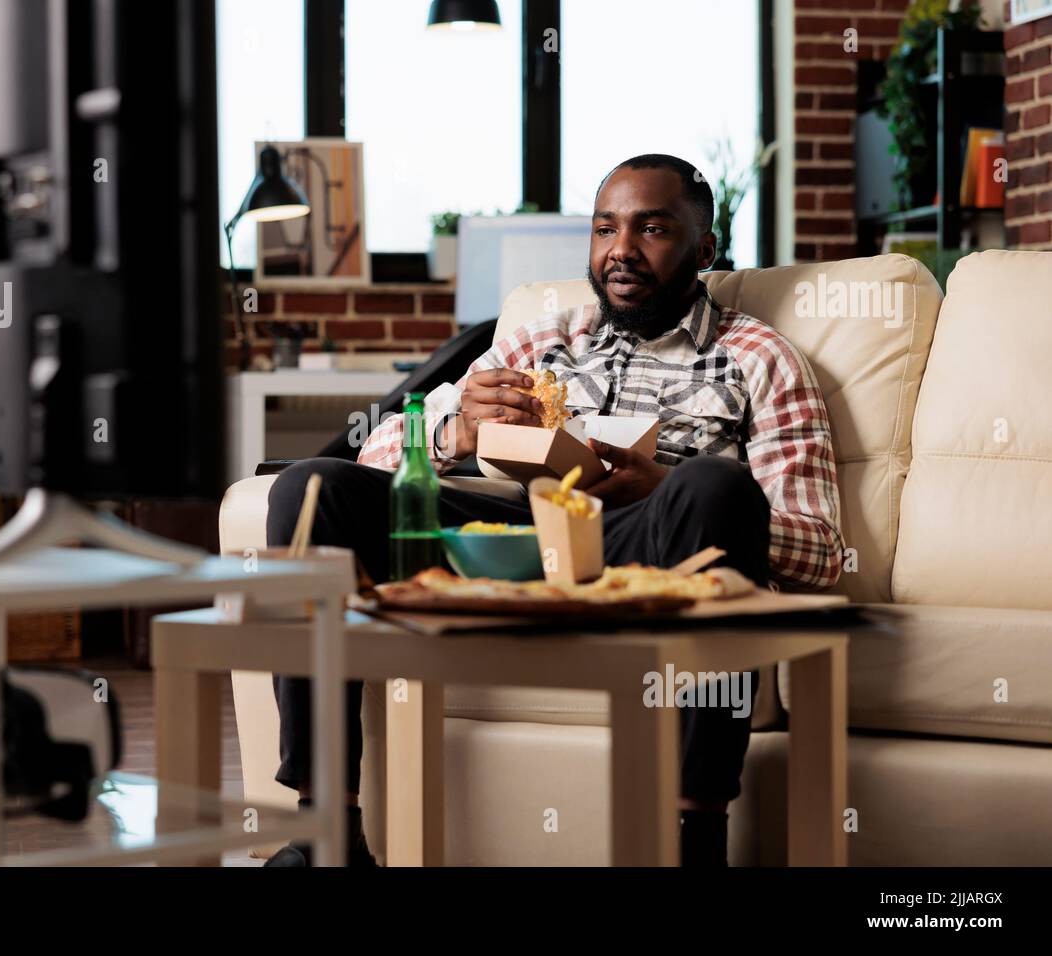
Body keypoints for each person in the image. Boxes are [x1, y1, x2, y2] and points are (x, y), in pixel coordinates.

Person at [263, 153, 843, 867]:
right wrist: (453, 433)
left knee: (711, 489)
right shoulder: (541, 340)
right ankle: (327, 837)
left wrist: (664, 488)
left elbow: (820, 550)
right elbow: (380, 456)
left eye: (652, 230)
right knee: (308, 492)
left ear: (705, 250)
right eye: (605, 229)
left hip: (646, 556)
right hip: (506, 545)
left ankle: (693, 842)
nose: (621, 251)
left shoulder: (758, 358)